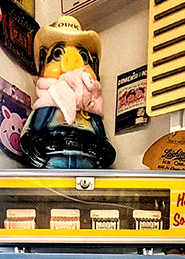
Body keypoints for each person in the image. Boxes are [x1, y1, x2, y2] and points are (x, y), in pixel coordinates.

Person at [20, 15, 116, 169]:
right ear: (44, 63)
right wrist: (35, 147)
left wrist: (104, 150)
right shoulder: (46, 105)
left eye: (84, 57)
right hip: (54, 156)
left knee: (88, 185)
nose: (72, 63)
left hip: (87, 159)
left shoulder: (91, 110)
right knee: (53, 184)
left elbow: (104, 140)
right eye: (58, 54)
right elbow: (30, 134)